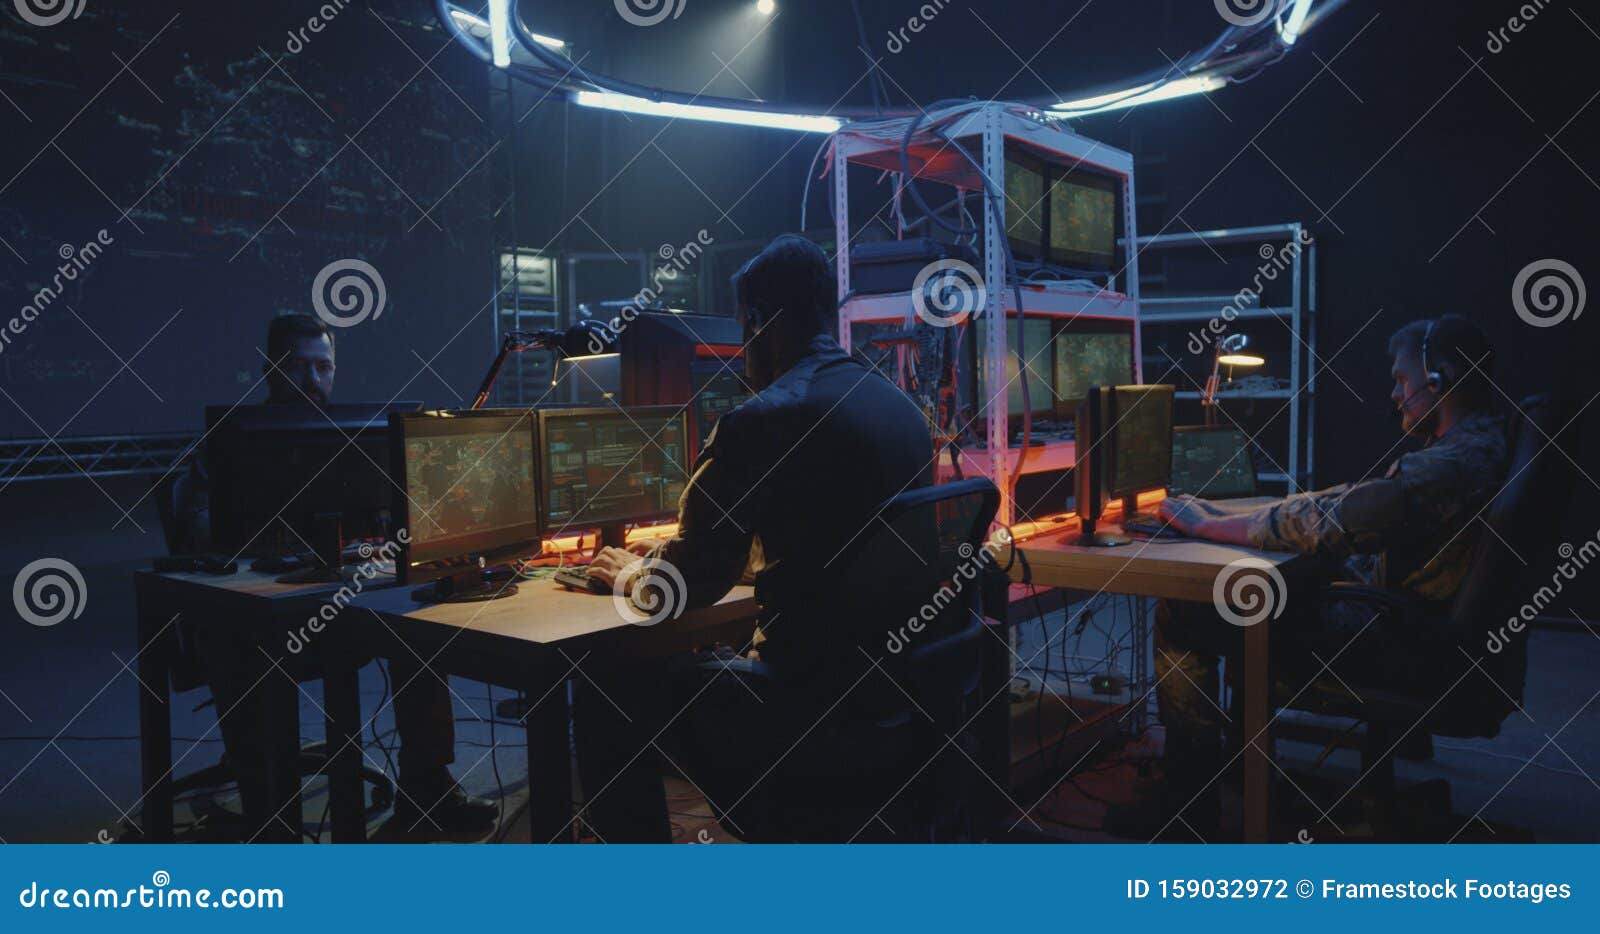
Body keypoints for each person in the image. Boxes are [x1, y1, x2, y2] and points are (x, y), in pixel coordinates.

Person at [578, 235, 934, 841]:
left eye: (745, 328)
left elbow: (691, 583)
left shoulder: (762, 418)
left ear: (763, 321)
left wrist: (630, 574)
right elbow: (836, 538)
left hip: (804, 702)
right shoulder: (899, 408)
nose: (742, 351)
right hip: (894, 696)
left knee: (607, 680)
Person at [1135, 314, 1509, 837]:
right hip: (1427, 628)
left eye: (1402, 381)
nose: (1396, 395)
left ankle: (1188, 803)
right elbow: (1349, 502)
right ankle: (1242, 768)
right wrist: (1230, 521)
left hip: (1405, 640)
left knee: (1187, 609)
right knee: (1269, 589)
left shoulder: (1447, 469)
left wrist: (1211, 525)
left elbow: (1339, 522)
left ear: (1438, 382)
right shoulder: (1482, 445)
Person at [175, 314, 495, 836]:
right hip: (262, 610)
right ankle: (269, 816)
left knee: (421, 626)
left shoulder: (357, 434)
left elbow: (396, 515)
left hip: (344, 601)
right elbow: (196, 531)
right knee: (228, 639)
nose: (312, 381)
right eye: (297, 367)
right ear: (269, 371)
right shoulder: (231, 441)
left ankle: (429, 790)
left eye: (323, 367)